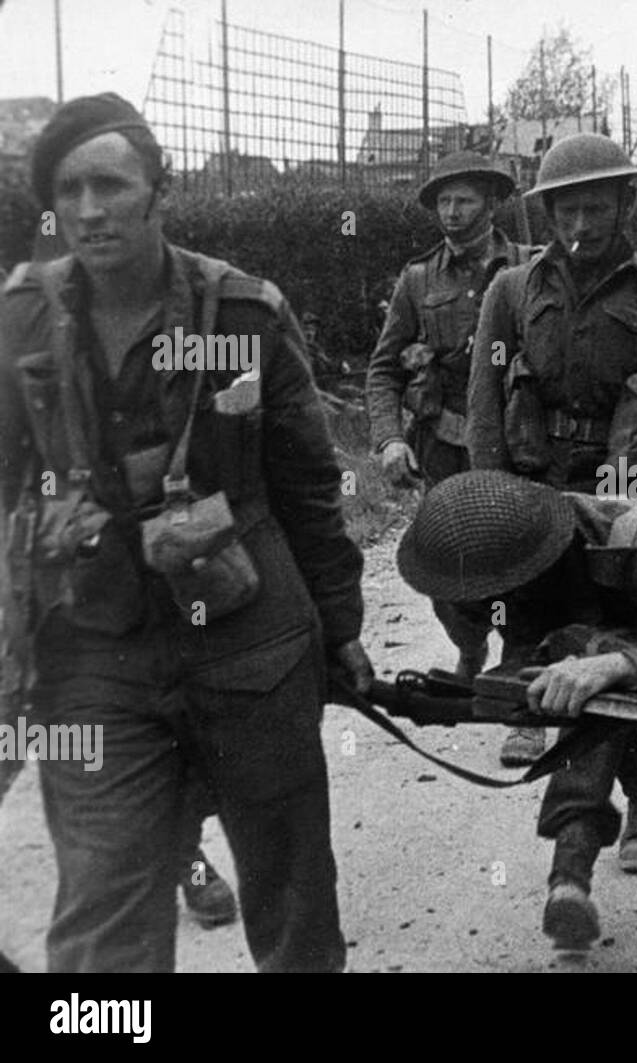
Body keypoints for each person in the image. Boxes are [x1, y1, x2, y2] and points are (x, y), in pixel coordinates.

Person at [0, 93, 373, 972]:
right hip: (93, 654)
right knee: (101, 912)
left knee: (291, 899)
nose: (89, 210)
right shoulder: (19, 321)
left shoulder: (242, 313)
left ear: (158, 193)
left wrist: (344, 629)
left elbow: (309, 485)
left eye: (110, 185)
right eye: (69, 189)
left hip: (250, 641)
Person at [395, 470, 637, 948]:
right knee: (576, 666)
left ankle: (571, 872)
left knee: (585, 658)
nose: (490, 610)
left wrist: (616, 665)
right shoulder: (493, 562)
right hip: (605, 631)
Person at [467, 132, 637, 791]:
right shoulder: (509, 293)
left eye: (595, 209)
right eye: (565, 212)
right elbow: (485, 406)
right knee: (531, 615)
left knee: (606, 651)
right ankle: (532, 703)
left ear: (625, 205)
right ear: (547, 216)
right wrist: (490, 498)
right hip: (535, 482)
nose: (579, 226)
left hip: (616, 495)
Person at [366, 152, 533, 705]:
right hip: (442, 441)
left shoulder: (528, 268)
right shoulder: (417, 280)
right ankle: (469, 645)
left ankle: (518, 668)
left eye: (464, 199)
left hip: (512, 440)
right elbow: (384, 367)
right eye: (444, 201)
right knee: (443, 563)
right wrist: (390, 439)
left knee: (519, 559)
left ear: (490, 203)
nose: (453, 212)